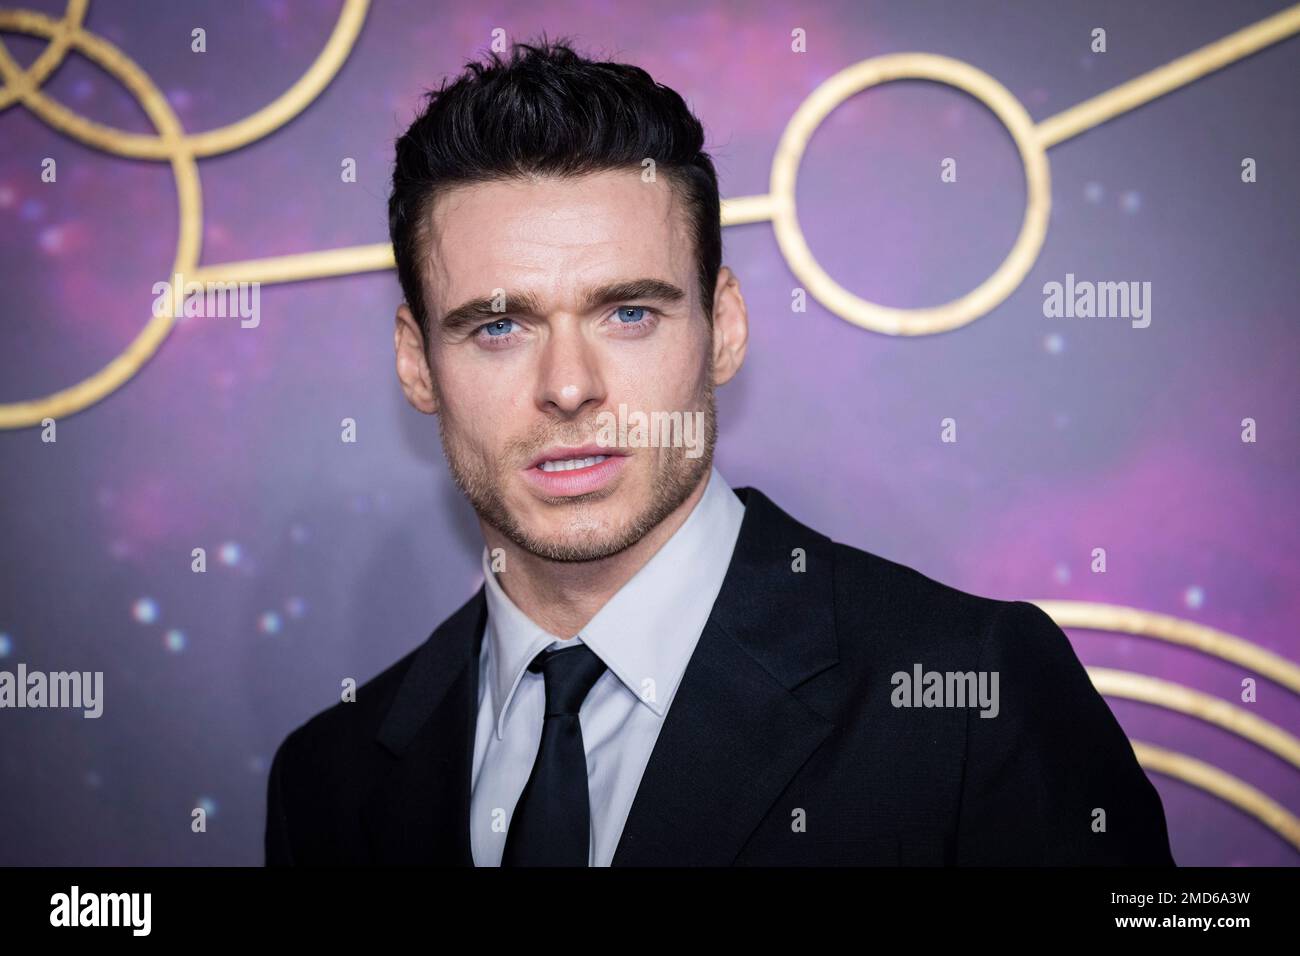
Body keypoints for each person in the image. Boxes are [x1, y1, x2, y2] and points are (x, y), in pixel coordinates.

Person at [265, 39, 1175, 866]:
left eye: (629, 313)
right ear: (416, 364)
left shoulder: (973, 697)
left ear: (725, 327)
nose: (570, 385)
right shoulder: (328, 777)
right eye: (499, 325)